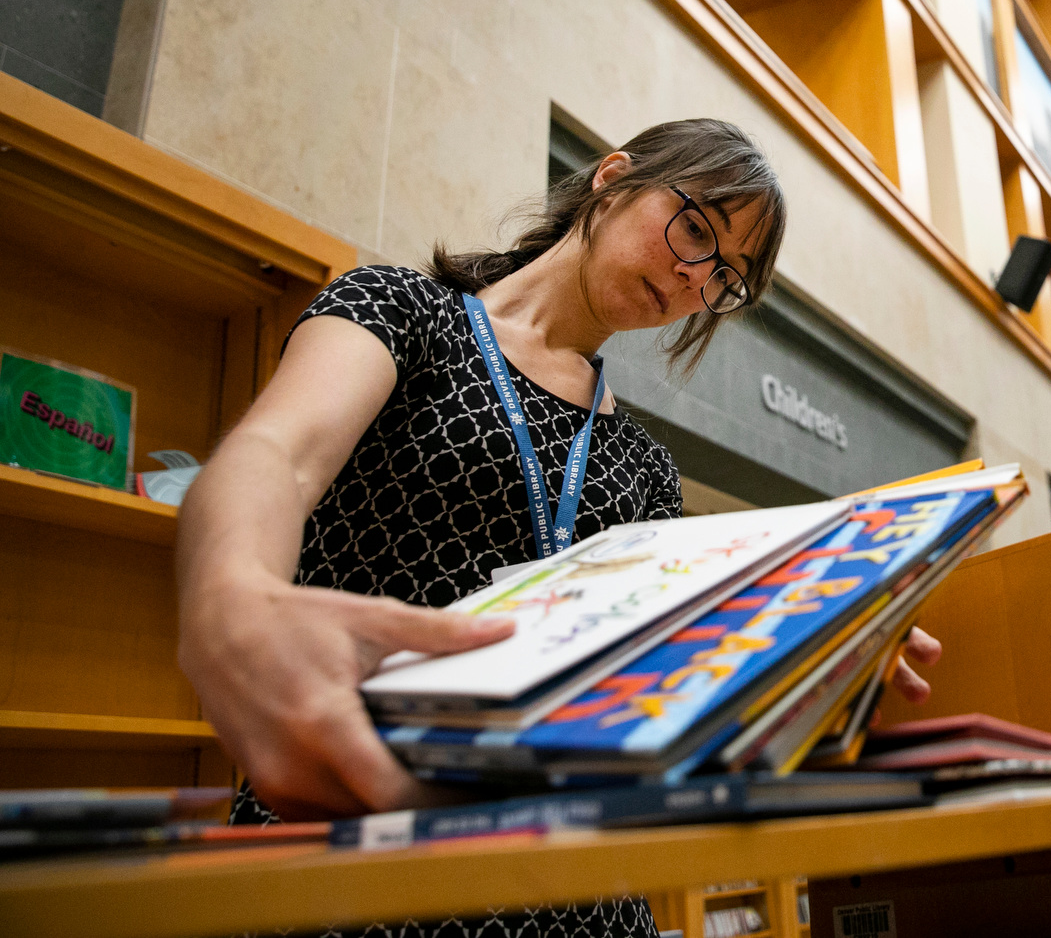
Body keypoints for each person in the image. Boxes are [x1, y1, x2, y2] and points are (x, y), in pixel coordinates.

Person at [175, 119, 941, 937]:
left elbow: (651, 688)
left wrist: (812, 654)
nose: (692, 279)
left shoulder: (643, 465)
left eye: (723, 277)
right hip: (360, 845)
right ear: (611, 178)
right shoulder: (404, 312)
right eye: (694, 229)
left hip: (576, 895)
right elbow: (278, 454)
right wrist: (231, 590)